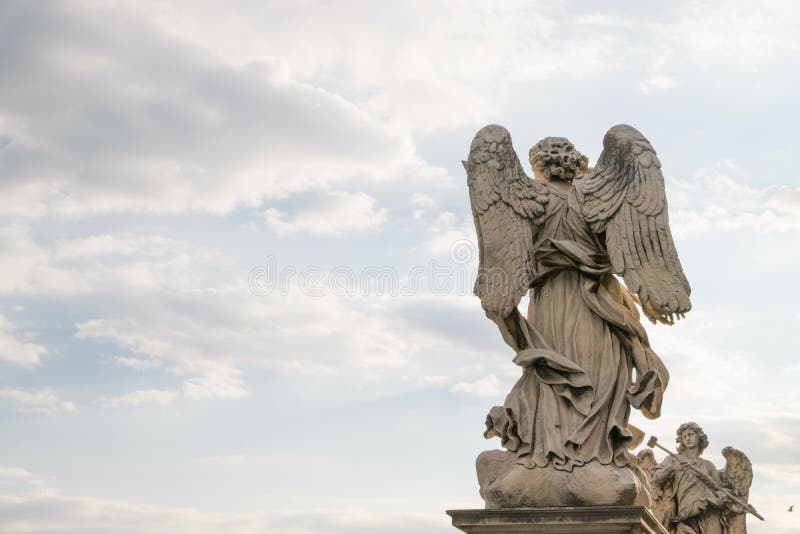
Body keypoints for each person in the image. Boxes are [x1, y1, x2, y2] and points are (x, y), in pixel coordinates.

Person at [652, 423, 729, 533]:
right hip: (686, 514)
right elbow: (655, 478)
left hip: (710, 512)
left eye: (690, 434)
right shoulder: (674, 459)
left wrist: (723, 499)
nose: (687, 438)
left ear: (699, 437)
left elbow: (720, 490)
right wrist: (671, 468)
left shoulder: (708, 465)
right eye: (684, 436)